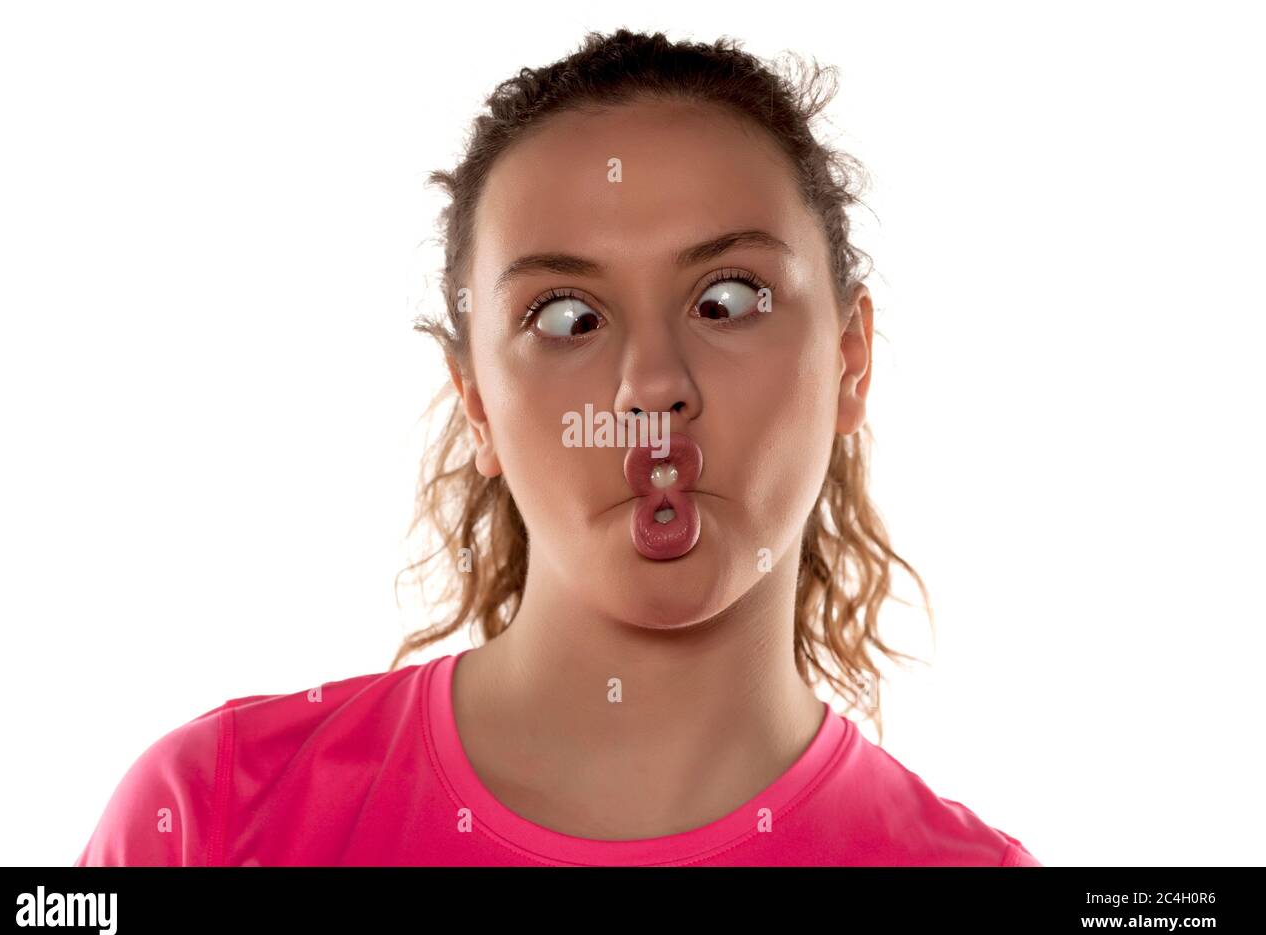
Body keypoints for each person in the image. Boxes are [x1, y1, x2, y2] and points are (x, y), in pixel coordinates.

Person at [75, 28, 1041, 867]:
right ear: (477, 404)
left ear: (851, 360)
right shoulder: (213, 819)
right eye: (568, 315)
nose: (650, 385)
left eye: (729, 299)